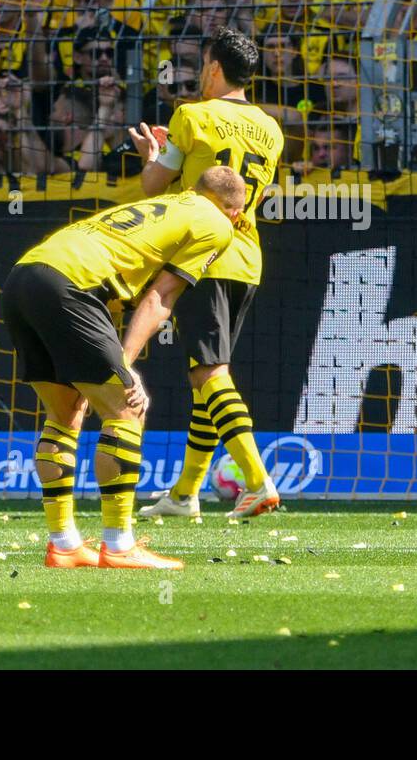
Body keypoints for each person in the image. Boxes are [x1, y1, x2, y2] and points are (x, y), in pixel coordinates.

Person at [3, 166, 246, 569]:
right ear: (234, 211)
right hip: (71, 284)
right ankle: (118, 545)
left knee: (65, 414)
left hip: (22, 278)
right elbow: (159, 298)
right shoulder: (219, 225)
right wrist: (126, 365)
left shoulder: (168, 203)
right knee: (128, 408)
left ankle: (63, 544)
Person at [131, 26, 285, 520]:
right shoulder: (272, 129)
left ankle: (257, 482)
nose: (199, 74)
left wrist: (151, 156)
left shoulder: (190, 116)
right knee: (208, 376)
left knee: (208, 371)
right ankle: (184, 494)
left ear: (214, 68)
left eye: (202, 65)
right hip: (247, 258)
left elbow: (153, 187)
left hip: (204, 254)